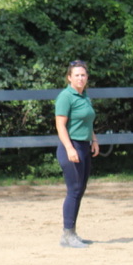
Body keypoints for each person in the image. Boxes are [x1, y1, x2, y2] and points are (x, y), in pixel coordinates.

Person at [54, 59, 99, 248]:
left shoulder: (84, 96)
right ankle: (67, 234)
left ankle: (72, 233)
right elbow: (60, 125)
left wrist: (94, 140)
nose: (80, 78)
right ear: (69, 77)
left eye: (83, 75)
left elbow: (87, 122)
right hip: (71, 146)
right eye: (77, 75)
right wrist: (70, 148)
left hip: (84, 146)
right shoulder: (66, 96)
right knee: (73, 190)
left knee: (80, 190)